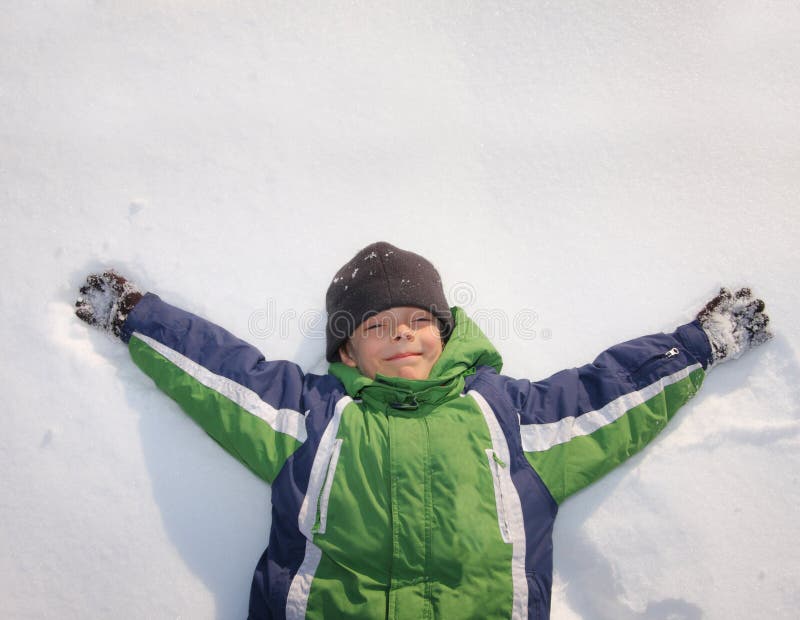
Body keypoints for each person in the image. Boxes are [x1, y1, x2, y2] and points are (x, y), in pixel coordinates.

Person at [74, 241, 771, 620]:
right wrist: (137, 316)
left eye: (416, 320)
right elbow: (221, 376)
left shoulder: (511, 419)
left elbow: (607, 398)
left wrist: (699, 344)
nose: (400, 334)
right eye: (375, 325)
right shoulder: (311, 417)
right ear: (346, 353)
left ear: (444, 333)